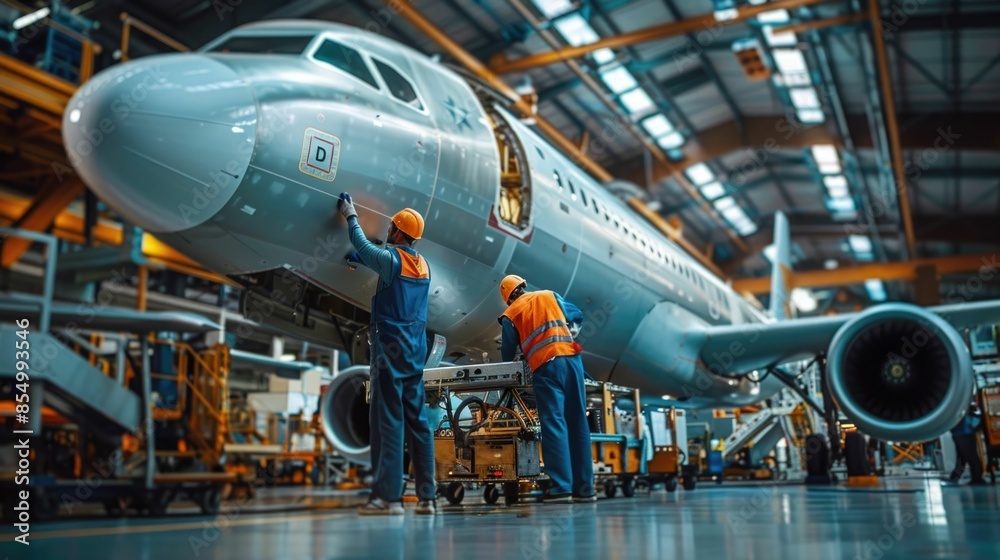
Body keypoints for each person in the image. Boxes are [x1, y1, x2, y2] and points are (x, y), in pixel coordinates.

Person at [338, 192, 437, 515]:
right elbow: (398, 284)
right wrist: (368, 261)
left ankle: (387, 498)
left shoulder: (391, 260)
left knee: (388, 422)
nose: (389, 231)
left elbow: (364, 245)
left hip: (389, 349)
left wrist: (350, 214)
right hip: (414, 350)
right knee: (418, 423)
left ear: (397, 231)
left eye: (392, 227)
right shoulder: (424, 266)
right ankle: (428, 498)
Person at [497, 274, 595, 503]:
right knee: (578, 422)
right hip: (572, 360)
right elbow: (577, 315)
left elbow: (507, 354)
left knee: (554, 423)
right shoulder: (550, 295)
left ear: (508, 298)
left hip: (546, 367)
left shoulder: (511, 314)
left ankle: (561, 487)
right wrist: (568, 334)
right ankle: (585, 489)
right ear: (523, 286)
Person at [948, 401, 986, 486]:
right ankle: (955, 477)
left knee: (970, 456)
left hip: (964, 433)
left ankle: (977, 478)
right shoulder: (960, 403)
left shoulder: (959, 405)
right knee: (962, 457)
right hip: (962, 433)